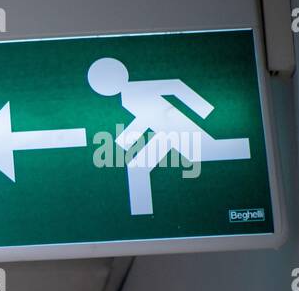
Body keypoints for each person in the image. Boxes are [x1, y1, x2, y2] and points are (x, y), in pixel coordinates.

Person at [88, 57, 250, 215]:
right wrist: (126, 140)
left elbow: (175, 87)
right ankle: (143, 215)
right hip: (164, 136)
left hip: (178, 129)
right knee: (137, 168)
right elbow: (145, 117)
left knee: (212, 150)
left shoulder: (138, 89)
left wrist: (202, 108)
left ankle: (247, 149)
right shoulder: (128, 95)